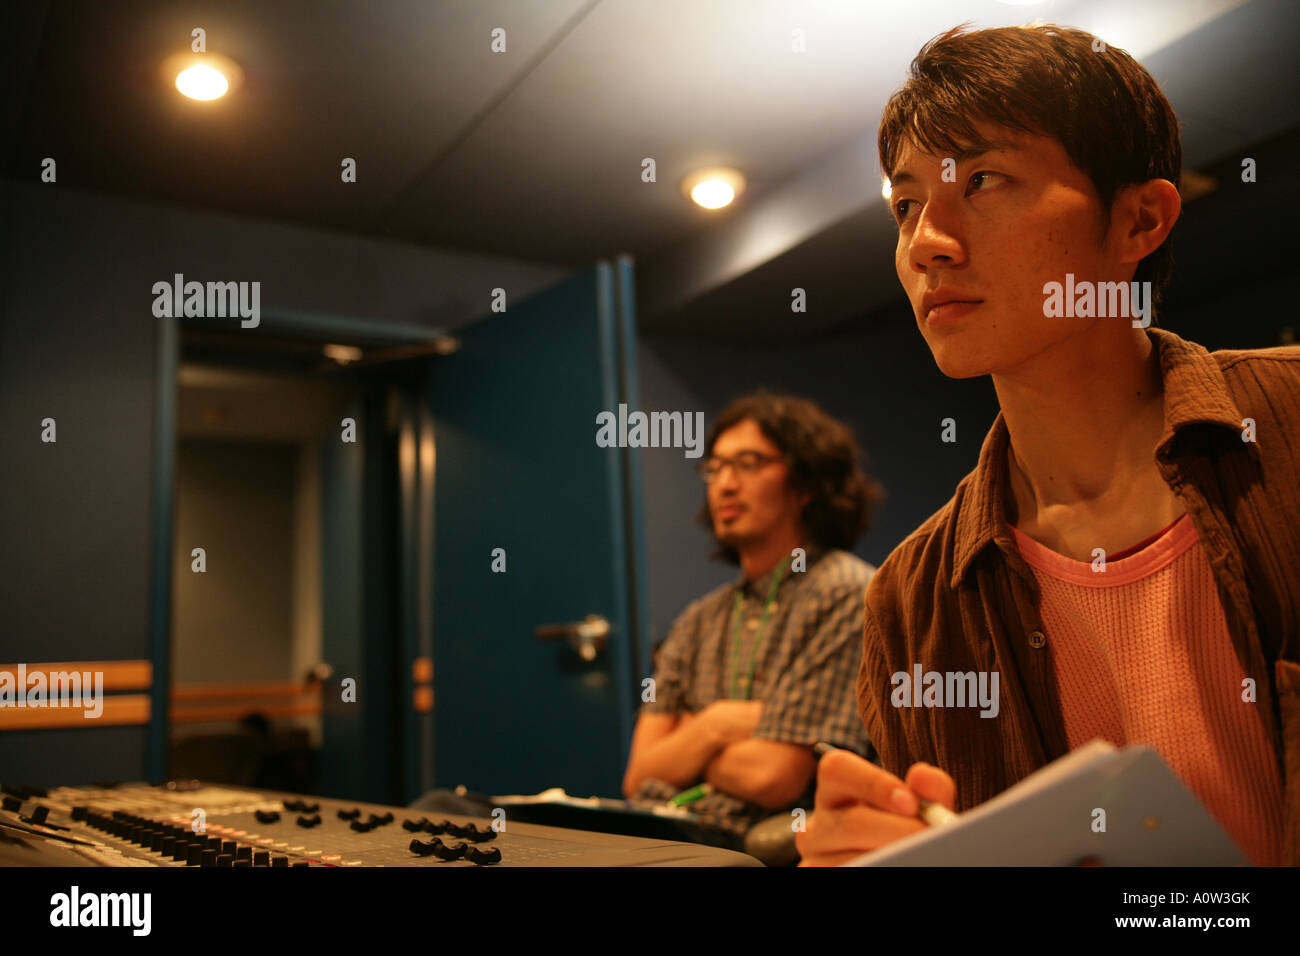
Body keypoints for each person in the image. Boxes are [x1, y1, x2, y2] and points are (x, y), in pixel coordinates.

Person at [798, 23, 1299, 866]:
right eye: (906, 204)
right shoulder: (913, 600)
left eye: (985, 179)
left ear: (1141, 219)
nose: (926, 243)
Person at [623, 393, 882, 839]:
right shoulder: (701, 617)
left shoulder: (847, 593)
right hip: (670, 836)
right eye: (715, 467)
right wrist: (720, 723)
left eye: (748, 463)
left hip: (762, 850)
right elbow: (640, 776)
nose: (724, 484)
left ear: (806, 484)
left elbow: (773, 776)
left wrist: (688, 741)